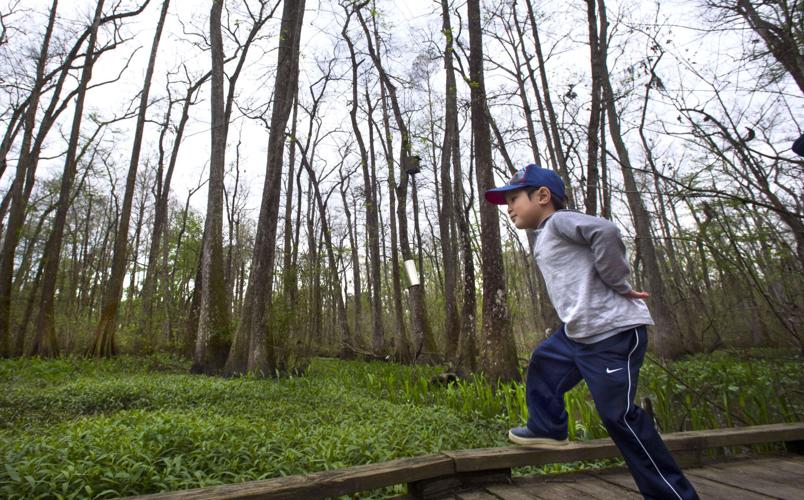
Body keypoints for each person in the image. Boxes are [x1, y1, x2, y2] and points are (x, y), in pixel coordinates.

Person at [485, 164, 699, 500]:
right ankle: (548, 428)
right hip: (579, 334)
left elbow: (606, 231)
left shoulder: (559, 221)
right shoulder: (545, 234)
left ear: (542, 196)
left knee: (619, 418)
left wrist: (616, 281)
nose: (508, 208)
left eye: (514, 198)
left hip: (611, 333)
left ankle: (673, 495)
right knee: (543, 361)